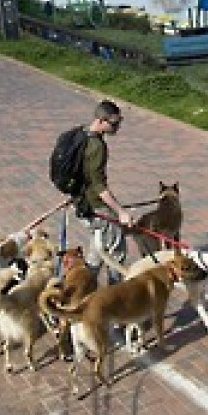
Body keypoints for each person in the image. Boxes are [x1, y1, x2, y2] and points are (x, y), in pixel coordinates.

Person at [74, 100, 134, 284]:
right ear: (101, 120)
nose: (118, 127)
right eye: (114, 123)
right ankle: (115, 295)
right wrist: (121, 212)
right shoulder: (97, 147)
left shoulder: (81, 133)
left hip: (82, 204)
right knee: (117, 252)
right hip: (96, 207)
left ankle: (85, 287)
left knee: (98, 248)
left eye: (119, 122)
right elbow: (99, 186)